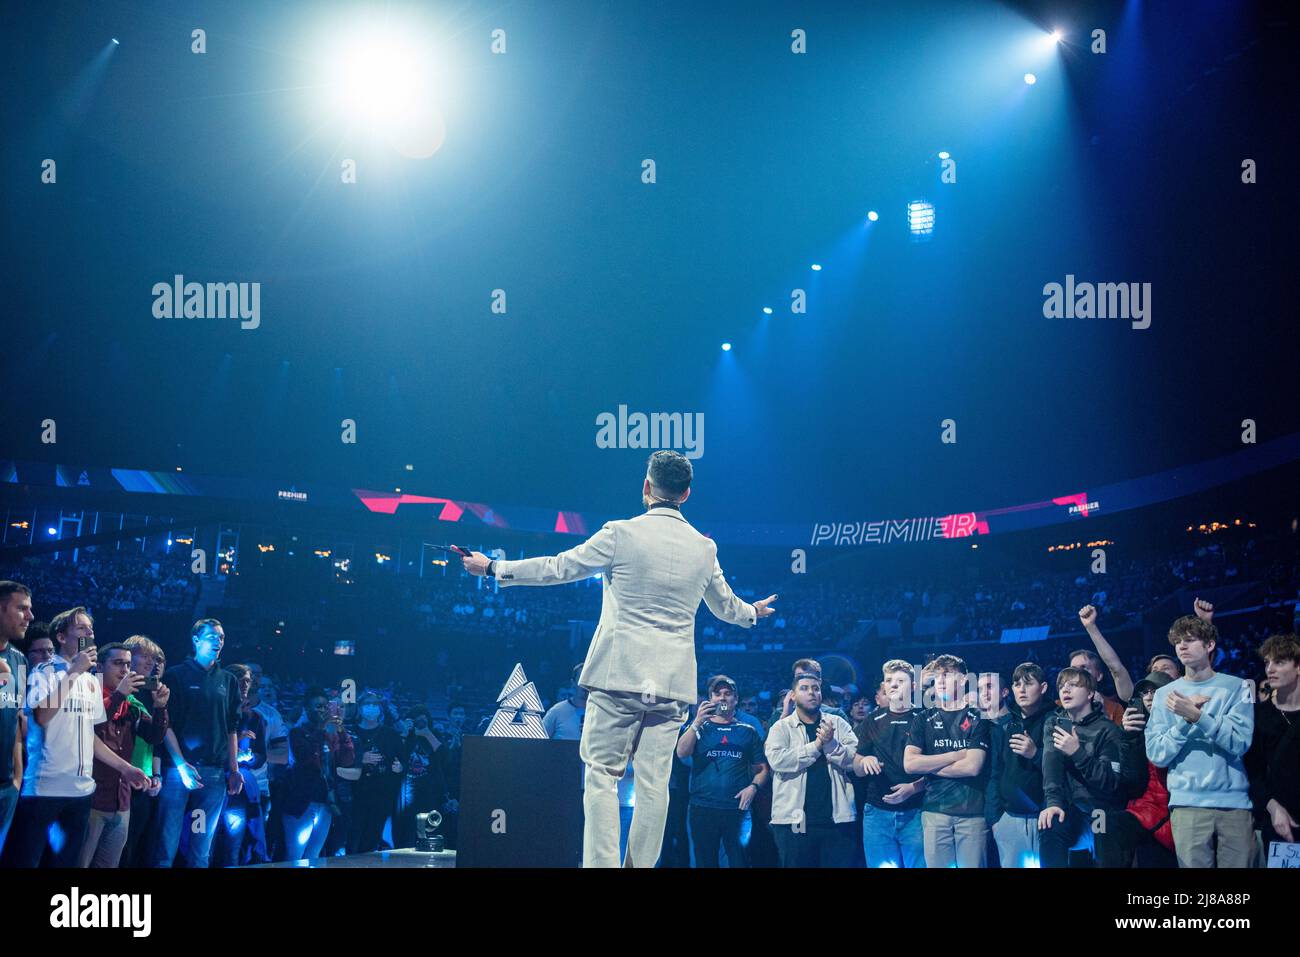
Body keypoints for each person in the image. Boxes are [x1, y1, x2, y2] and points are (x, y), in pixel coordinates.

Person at [460, 450, 777, 868]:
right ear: (686, 493)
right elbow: (727, 608)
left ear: (647, 488)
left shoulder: (620, 533)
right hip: (670, 686)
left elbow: (558, 568)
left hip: (617, 678)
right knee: (653, 787)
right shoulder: (704, 547)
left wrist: (492, 568)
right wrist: (753, 612)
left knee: (601, 779)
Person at [3, 607, 147, 867]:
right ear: (61, 636)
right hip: (44, 790)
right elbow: (41, 717)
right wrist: (73, 672)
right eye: (81, 628)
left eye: (90, 629)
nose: (89, 633)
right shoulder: (43, 672)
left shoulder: (92, 681)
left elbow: (90, 737)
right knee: (25, 862)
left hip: (80, 792)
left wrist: (125, 768)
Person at [1145, 614, 1255, 868]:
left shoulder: (1237, 687)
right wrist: (1186, 721)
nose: (1181, 646)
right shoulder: (1163, 696)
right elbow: (1158, 754)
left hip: (1234, 804)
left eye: (1190, 640)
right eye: (1178, 642)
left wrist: (1197, 716)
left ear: (1209, 645)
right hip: (1186, 803)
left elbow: (1240, 743)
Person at [152, 619, 243, 868]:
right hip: (177, 773)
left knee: (200, 847)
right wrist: (181, 764)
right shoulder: (177, 675)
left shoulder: (228, 681)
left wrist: (234, 770)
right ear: (196, 639)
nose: (218, 641)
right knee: (165, 844)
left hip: (212, 776)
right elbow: (166, 724)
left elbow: (231, 728)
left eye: (222, 637)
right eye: (212, 636)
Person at [81, 642, 169, 867]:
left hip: (121, 801)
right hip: (91, 799)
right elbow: (92, 727)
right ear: (99, 666)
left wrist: (160, 707)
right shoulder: (87, 694)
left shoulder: (131, 704)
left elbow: (154, 737)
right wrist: (119, 694)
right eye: (118, 663)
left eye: (128, 664)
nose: (124, 670)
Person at [1038, 667, 1130, 867]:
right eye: (1062, 686)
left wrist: (1077, 753)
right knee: (1050, 820)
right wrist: (1053, 803)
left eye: (1073, 685)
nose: (1065, 690)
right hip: (1072, 811)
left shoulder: (1108, 730)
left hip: (1100, 809)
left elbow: (1110, 782)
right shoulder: (1054, 724)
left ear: (1090, 693)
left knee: (1104, 826)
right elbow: (1051, 765)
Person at [904, 654, 990, 868]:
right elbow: (910, 764)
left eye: (947, 675)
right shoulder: (922, 718)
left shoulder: (978, 718)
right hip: (934, 811)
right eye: (937, 676)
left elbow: (972, 767)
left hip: (972, 813)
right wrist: (956, 755)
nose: (940, 680)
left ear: (963, 680)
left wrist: (930, 765)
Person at [765, 671, 858, 867]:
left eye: (816, 688)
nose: (811, 693)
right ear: (793, 694)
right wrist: (816, 746)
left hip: (836, 819)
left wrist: (831, 744)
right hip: (795, 821)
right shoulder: (781, 728)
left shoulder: (838, 724)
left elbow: (854, 761)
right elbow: (778, 761)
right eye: (804, 688)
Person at [676, 675, 768, 867]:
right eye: (717, 694)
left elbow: (762, 769)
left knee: (739, 861)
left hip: (737, 810)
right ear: (710, 699)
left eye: (728, 694)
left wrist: (753, 788)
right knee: (704, 862)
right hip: (702, 807)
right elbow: (682, 752)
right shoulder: (699, 728)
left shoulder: (747, 730)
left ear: (736, 699)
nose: (723, 698)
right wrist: (696, 722)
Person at [853, 660, 926, 868]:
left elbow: (937, 769)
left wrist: (914, 788)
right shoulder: (872, 720)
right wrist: (864, 760)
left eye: (900, 680)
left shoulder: (925, 719)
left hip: (916, 812)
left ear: (913, 687)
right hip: (876, 813)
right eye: (888, 680)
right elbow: (857, 767)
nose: (893, 685)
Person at [991, 663, 1052, 869]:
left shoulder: (1057, 719)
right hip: (1008, 819)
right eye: (1017, 684)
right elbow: (994, 772)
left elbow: (1067, 770)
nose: (1022, 690)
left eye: (1028, 684)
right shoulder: (1004, 723)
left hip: (1047, 818)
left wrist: (1035, 754)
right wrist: (995, 819)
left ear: (1043, 687)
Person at [1114, 671, 1178, 867]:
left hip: (1178, 811)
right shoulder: (1134, 728)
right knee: (1104, 825)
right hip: (1146, 810)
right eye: (1144, 692)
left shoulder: (1183, 725)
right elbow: (1131, 781)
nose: (1149, 697)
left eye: (1155, 691)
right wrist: (1129, 737)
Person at [282, 688, 354, 861]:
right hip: (302, 802)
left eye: (325, 706)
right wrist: (322, 728)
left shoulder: (331, 735)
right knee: (295, 856)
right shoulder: (297, 733)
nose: (322, 711)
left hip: (326, 803)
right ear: (307, 709)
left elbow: (347, 760)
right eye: (318, 706)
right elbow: (307, 759)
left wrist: (341, 731)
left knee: (314, 856)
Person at [1244, 633, 1300, 851]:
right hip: (1277, 820)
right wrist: (1272, 807)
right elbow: (1252, 771)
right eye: (1267, 662)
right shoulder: (1259, 715)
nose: (1270, 669)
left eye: (1279, 662)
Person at [120, 636, 167, 867]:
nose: (150, 663)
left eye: (154, 658)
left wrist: (155, 774)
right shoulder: (118, 690)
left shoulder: (152, 692)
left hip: (144, 778)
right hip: (119, 777)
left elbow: (155, 740)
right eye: (145, 656)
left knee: (134, 847)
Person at [0, 582, 34, 857]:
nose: (29, 616)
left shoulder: (20, 660)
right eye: (22, 608)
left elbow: (17, 717)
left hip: (6, 784)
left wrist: (17, 775)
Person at [348, 690, 404, 854]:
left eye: (375, 704)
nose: (371, 708)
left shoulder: (391, 734)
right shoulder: (349, 732)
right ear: (360, 707)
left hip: (381, 796)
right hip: (354, 794)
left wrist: (400, 767)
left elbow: (402, 760)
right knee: (352, 837)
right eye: (367, 704)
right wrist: (360, 758)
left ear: (380, 709)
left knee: (371, 838)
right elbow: (336, 759)